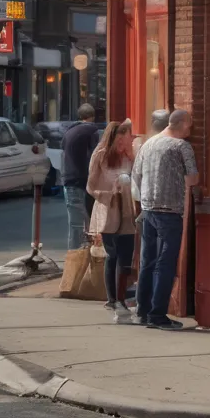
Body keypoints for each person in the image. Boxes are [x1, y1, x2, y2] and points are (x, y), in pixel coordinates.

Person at [131, 109, 198, 330]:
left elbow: (137, 174)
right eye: (189, 125)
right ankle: (157, 314)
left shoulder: (148, 144)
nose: (190, 130)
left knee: (147, 262)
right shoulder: (181, 146)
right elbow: (192, 178)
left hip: (148, 209)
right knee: (165, 263)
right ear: (181, 124)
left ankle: (142, 311)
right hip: (170, 211)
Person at [87, 120, 137, 324]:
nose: (124, 142)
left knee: (125, 257)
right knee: (113, 254)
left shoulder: (129, 156)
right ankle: (114, 299)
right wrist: (109, 193)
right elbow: (90, 187)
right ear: (112, 137)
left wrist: (132, 157)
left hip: (128, 209)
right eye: (120, 138)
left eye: (127, 138)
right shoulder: (101, 156)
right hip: (109, 209)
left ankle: (120, 299)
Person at [62, 104, 100, 251]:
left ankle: (76, 257)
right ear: (93, 116)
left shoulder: (69, 131)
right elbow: (95, 157)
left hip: (69, 179)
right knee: (82, 224)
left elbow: (64, 152)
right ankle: (77, 258)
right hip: (81, 180)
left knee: (76, 223)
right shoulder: (92, 131)